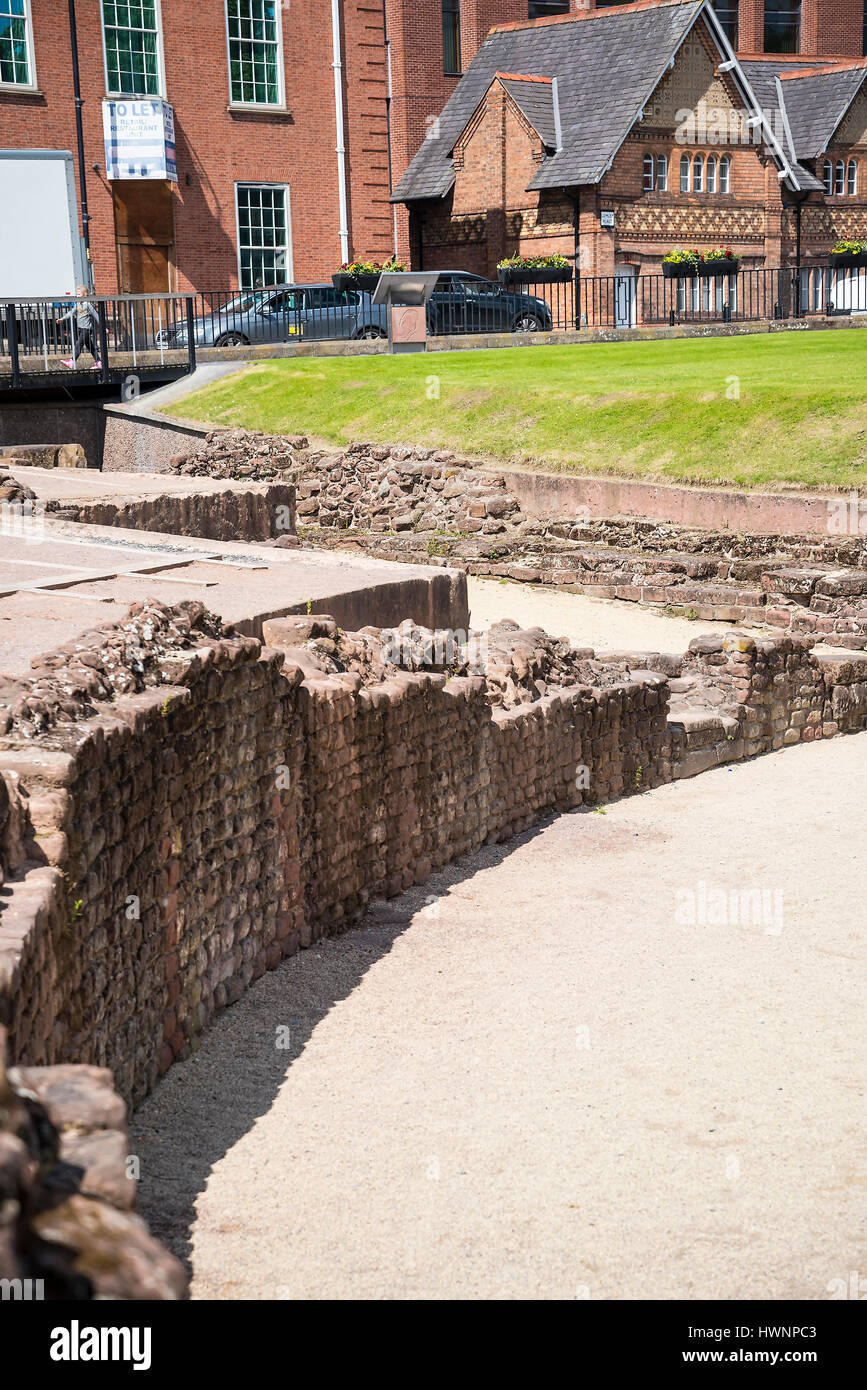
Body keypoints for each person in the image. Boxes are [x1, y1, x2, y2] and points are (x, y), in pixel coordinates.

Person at [60, 286, 101, 370]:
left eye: (79, 294)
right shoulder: (77, 304)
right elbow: (71, 312)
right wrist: (62, 318)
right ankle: (99, 362)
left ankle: (72, 361)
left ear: (85, 295)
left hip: (86, 329)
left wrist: (103, 327)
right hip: (80, 329)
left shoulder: (88, 305)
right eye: (76, 294)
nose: (77, 296)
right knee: (91, 347)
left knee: (79, 344)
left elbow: (96, 316)